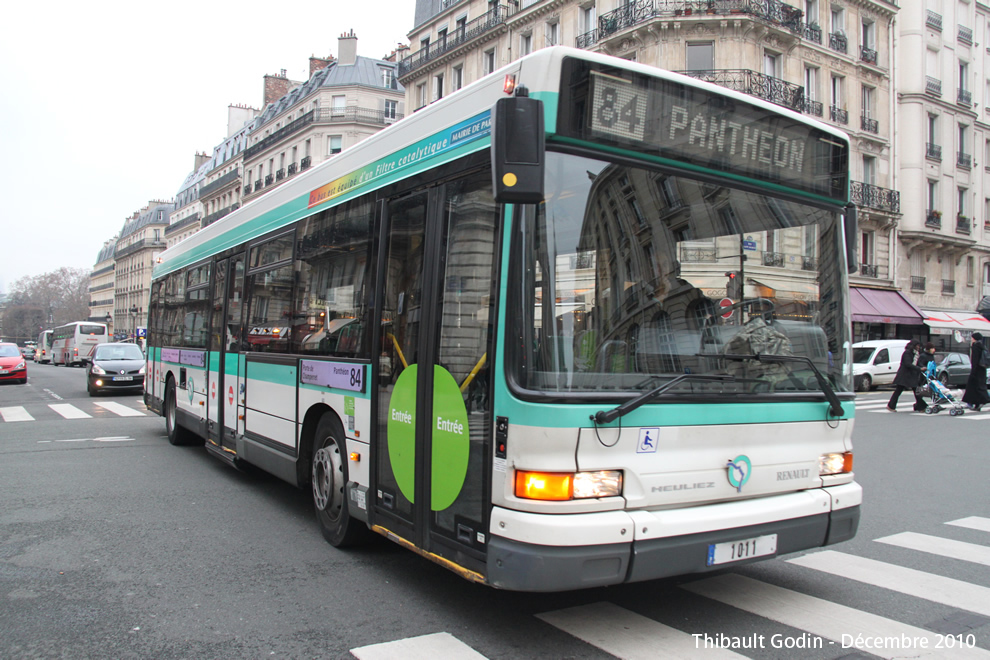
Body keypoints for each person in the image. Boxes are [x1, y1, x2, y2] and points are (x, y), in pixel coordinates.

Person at [887, 340, 926, 412]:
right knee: (899, 391)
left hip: (911, 375)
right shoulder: (907, 353)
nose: (918, 347)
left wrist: (922, 367)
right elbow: (908, 364)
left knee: (916, 391)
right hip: (904, 375)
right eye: (917, 345)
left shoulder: (916, 354)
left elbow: (917, 363)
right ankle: (891, 405)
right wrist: (919, 369)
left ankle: (921, 406)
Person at [962, 332, 990, 411]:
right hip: (982, 370)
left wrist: (973, 371)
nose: (971, 339)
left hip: (976, 370)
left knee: (972, 387)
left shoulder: (975, 347)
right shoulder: (983, 346)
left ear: (974, 338)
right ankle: (977, 404)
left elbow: (975, 360)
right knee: (980, 386)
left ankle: (982, 400)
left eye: (972, 338)